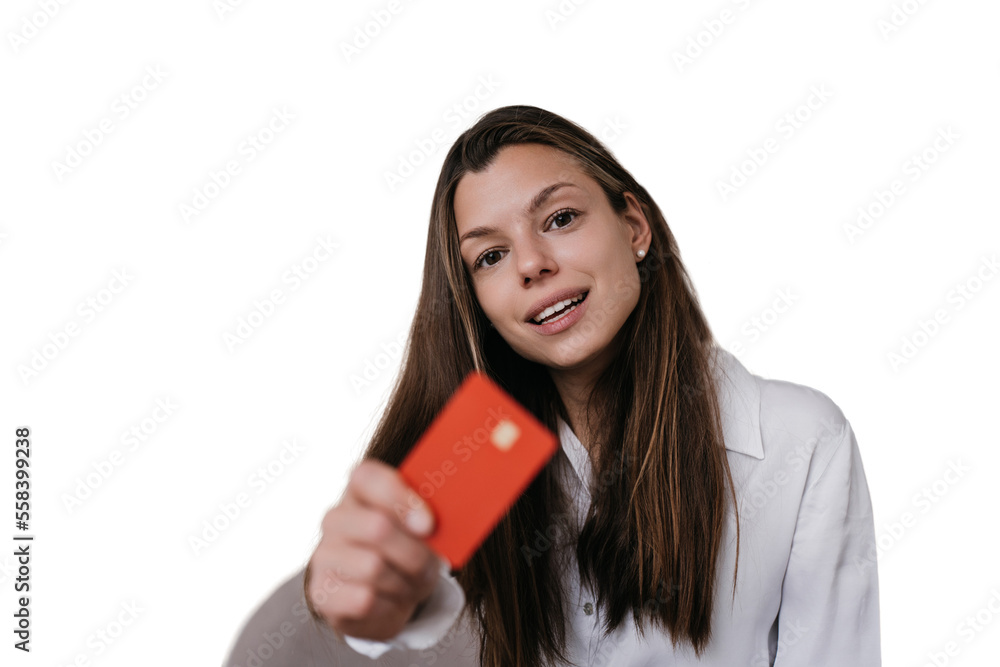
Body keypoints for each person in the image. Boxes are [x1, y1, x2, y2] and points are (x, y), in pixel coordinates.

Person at [223, 105, 881, 667]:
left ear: (634, 227)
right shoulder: (473, 454)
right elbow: (347, 624)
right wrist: (353, 604)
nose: (534, 264)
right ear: (476, 300)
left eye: (560, 218)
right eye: (490, 255)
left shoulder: (799, 438)